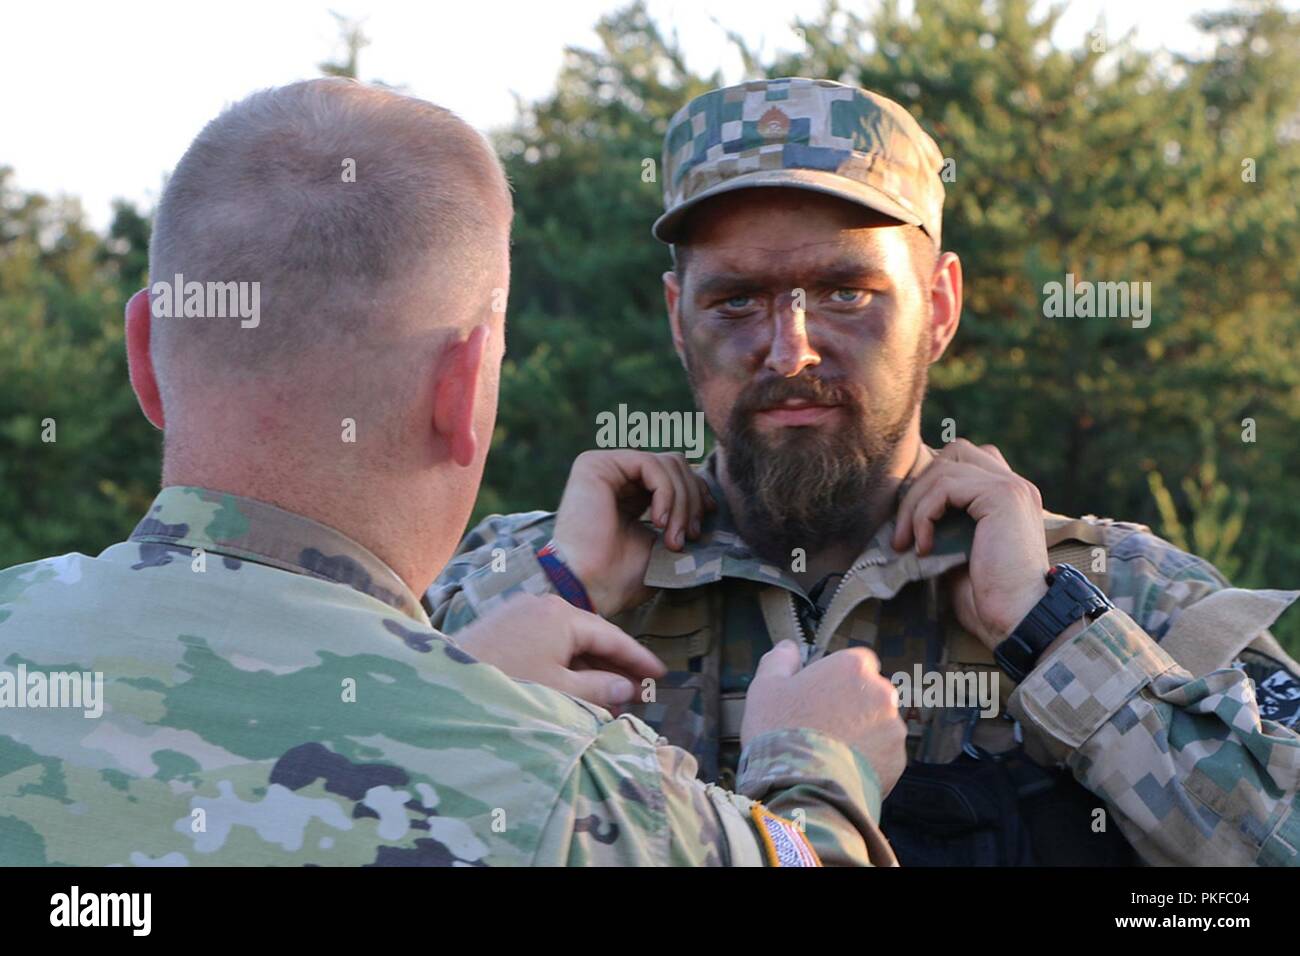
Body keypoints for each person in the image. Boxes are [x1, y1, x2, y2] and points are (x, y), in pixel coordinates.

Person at [0, 78, 906, 867]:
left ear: (146, 354)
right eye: (738, 297)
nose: (788, 347)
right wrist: (821, 769)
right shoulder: (576, 797)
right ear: (464, 384)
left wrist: (459, 671)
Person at [430, 77, 1300, 866]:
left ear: (940, 307)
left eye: (847, 292)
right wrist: (554, 597)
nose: (790, 349)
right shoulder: (530, 578)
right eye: (736, 299)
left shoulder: (1120, 595)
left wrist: (1049, 632)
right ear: (675, 318)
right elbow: (343, 807)